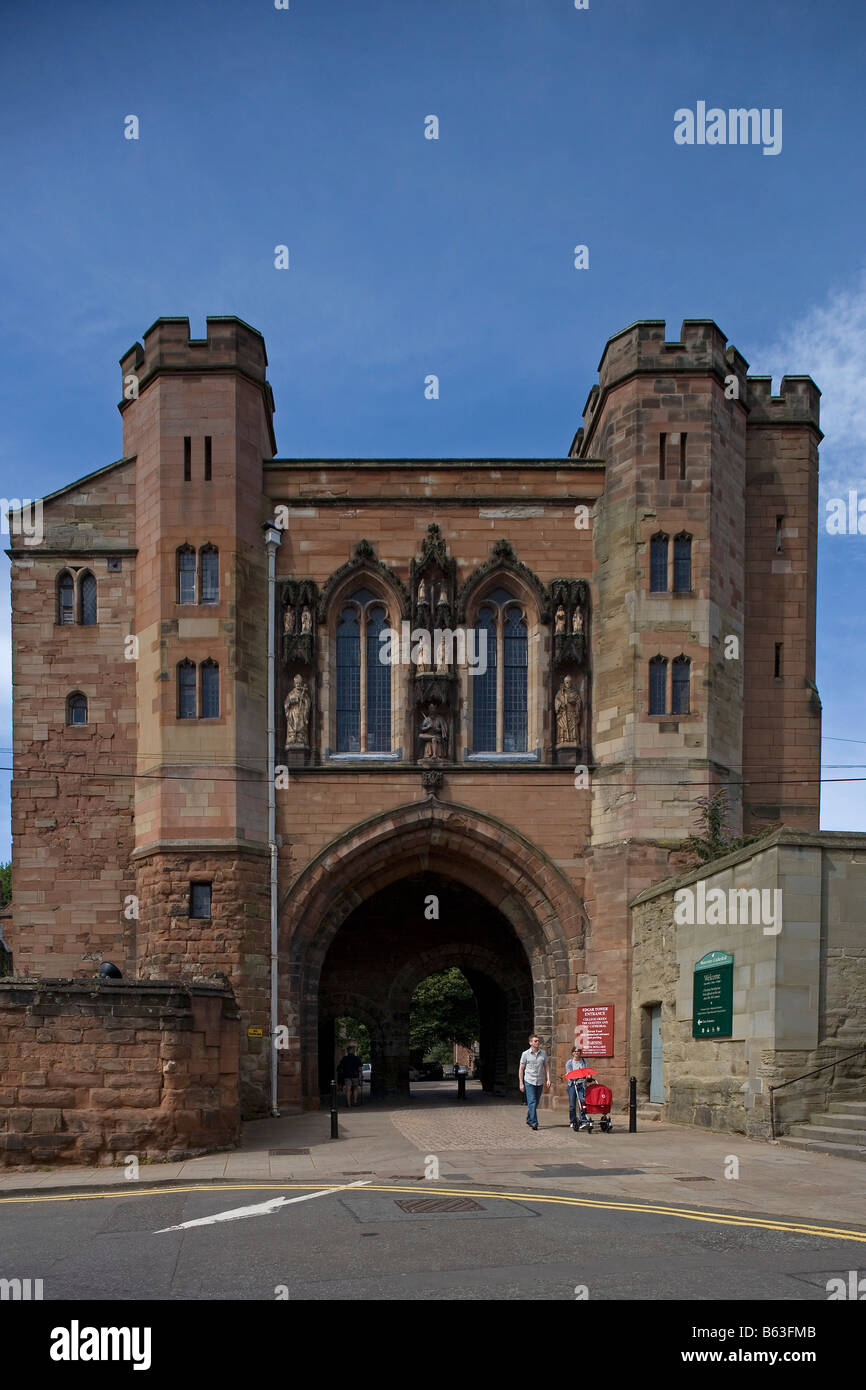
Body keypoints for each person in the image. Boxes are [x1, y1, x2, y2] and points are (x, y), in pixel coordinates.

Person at [518, 1034, 551, 1130]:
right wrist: (521, 1083)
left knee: (535, 1103)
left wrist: (548, 1079)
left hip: (539, 1081)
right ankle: (534, 1122)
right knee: (532, 1102)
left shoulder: (543, 1054)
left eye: (538, 1041)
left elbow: (547, 1066)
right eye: (535, 1041)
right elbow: (521, 1069)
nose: (537, 1042)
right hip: (529, 1081)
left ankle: (529, 1118)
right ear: (530, 1042)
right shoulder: (525, 1054)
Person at [565, 1044, 592, 1131]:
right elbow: (569, 1074)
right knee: (572, 1105)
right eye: (575, 1051)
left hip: (582, 1085)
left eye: (578, 1051)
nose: (576, 1053)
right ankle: (572, 1121)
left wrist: (589, 1076)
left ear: (580, 1053)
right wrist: (576, 1076)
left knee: (582, 1103)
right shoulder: (569, 1063)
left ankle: (583, 1120)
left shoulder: (584, 1061)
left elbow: (587, 1071)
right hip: (572, 1085)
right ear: (572, 1053)